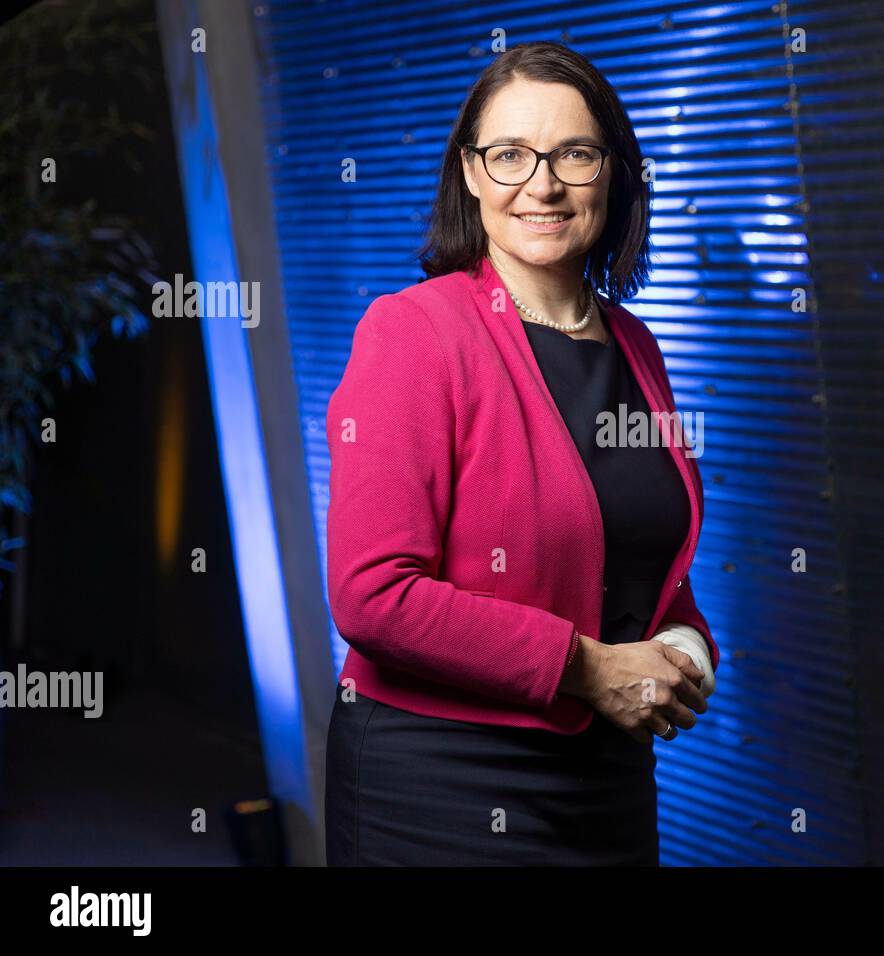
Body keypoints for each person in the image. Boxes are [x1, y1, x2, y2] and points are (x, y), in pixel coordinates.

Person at [323, 40, 721, 866]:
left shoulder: (637, 346)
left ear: (613, 171)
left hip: (607, 775)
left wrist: (681, 647)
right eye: (509, 156)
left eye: (574, 154)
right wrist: (589, 669)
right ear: (471, 174)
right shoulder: (414, 333)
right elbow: (372, 595)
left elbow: (636, 556)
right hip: (439, 778)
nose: (541, 185)